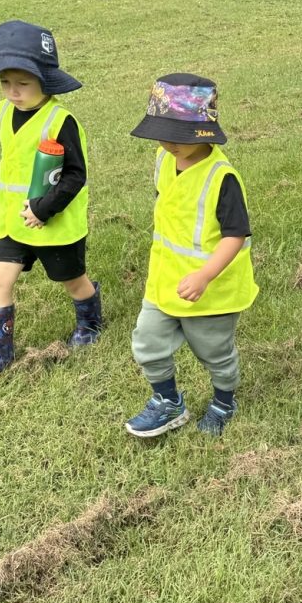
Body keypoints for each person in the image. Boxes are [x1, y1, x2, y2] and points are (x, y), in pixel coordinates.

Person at [0, 20, 101, 379]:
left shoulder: (61, 121)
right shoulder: (3, 113)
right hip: (11, 222)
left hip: (54, 224)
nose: (13, 91)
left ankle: (89, 321)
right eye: (5, 83)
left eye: (23, 83)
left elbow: (75, 176)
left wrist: (43, 208)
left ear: (45, 82)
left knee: (72, 280)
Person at [124, 74, 258, 438]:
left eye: (178, 135)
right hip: (165, 281)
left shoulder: (221, 178)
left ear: (202, 132)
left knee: (214, 353)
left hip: (211, 290)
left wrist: (203, 276)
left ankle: (224, 400)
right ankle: (168, 402)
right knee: (147, 342)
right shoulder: (164, 160)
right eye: (162, 133)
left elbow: (235, 236)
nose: (168, 142)